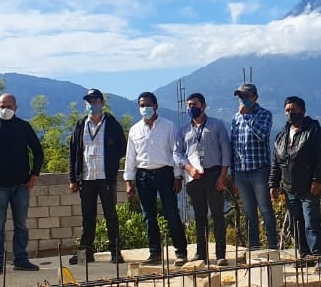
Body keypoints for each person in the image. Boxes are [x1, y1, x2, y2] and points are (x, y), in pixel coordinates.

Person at [0, 92, 44, 275]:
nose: (5, 109)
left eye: (8, 106)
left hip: (21, 186)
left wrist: (34, 175)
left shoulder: (24, 127)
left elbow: (38, 151)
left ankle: (21, 259)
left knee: (21, 225)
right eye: (1, 106)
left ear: (16, 108)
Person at [123, 91, 189, 266]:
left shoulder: (169, 126)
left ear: (156, 106)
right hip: (143, 175)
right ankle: (155, 253)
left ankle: (181, 251)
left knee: (171, 213)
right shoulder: (134, 130)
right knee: (148, 216)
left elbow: (175, 152)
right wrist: (129, 182)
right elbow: (130, 157)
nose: (145, 108)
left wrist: (177, 177)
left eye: (147, 105)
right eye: (141, 105)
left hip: (165, 173)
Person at [67, 88, 128, 264]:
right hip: (86, 178)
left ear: (102, 103)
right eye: (89, 102)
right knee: (88, 216)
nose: (92, 105)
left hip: (105, 177)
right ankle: (86, 252)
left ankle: (115, 252)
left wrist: (110, 160)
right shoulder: (80, 125)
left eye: (95, 101)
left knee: (111, 215)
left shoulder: (112, 124)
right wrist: (73, 179)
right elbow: (73, 153)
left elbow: (122, 147)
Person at [270, 95, 321, 269]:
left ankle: (320, 256)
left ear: (303, 111)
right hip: (289, 188)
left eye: (293, 110)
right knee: (296, 224)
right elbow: (276, 162)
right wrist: (273, 184)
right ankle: (305, 256)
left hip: (308, 187)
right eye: (287, 110)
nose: (290, 113)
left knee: (311, 222)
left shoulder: (314, 131)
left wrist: (317, 180)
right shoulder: (281, 136)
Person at [175, 92, 232, 265]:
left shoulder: (217, 125)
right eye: (189, 105)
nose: (192, 108)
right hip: (194, 177)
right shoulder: (183, 130)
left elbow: (226, 151)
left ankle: (221, 254)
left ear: (204, 106)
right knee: (199, 216)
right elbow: (177, 153)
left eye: (195, 104)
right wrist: (188, 168)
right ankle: (201, 253)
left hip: (214, 174)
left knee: (217, 215)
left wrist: (223, 176)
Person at [229, 82, 279, 252]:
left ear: (255, 97)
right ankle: (254, 247)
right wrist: (233, 174)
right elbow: (233, 145)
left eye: (246, 96)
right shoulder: (235, 118)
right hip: (241, 172)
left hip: (259, 170)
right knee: (249, 212)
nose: (242, 100)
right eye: (240, 96)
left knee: (265, 209)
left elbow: (262, 134)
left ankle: (272, 247)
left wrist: (248, 116)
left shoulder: (264, 114)